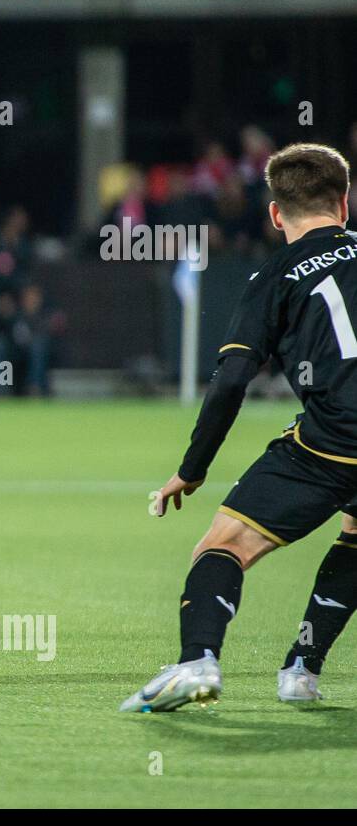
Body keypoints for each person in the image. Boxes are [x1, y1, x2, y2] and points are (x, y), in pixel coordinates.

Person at [123, 142, 357, 712]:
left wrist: (191, 470)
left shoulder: (275, 274)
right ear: (344, 205)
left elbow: (231, 381)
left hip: (331, 444)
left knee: (223, 545)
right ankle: (301, 671)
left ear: (277, 214)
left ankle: (198, 660)